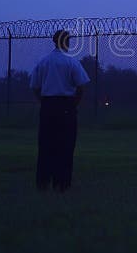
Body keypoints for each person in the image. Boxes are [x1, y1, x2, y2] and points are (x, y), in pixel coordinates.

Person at [30, 29, 90, 192]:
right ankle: (62, 182)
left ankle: (43, 181)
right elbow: (81, 85)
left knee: (45, 145)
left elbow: (35, 86)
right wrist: (73, 105)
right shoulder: (71, 62)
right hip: (66, 106)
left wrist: (43, 101)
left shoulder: (43, 61)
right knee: (66, 145)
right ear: (65, 42)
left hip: (48, 105)